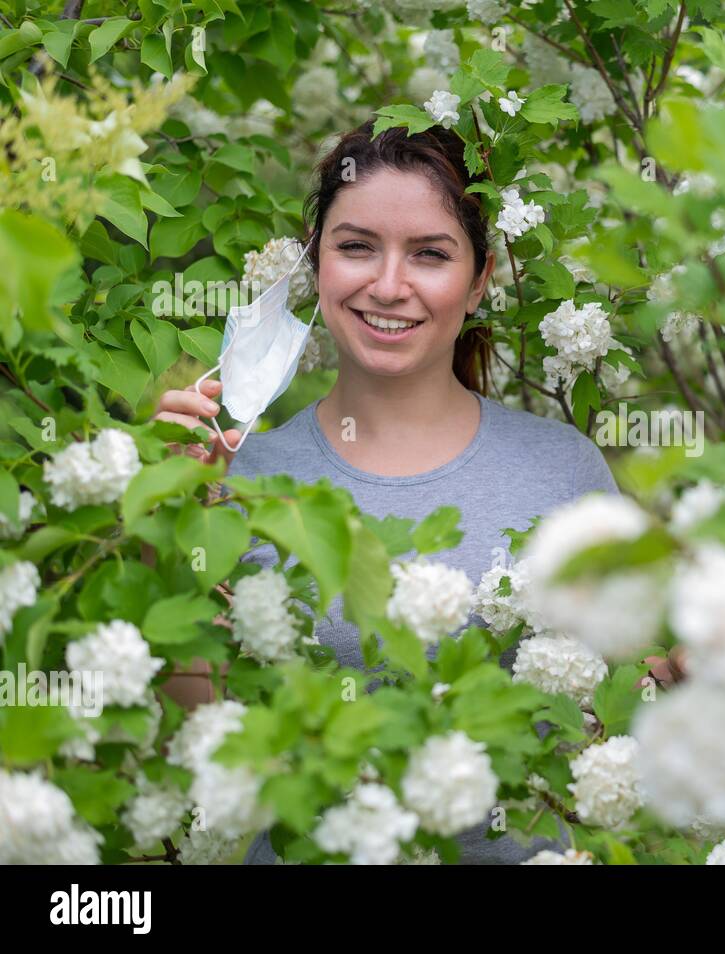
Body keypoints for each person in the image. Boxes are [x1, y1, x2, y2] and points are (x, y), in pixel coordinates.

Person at [150, 121, 624, 864]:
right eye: (357, 246)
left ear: (478, 279)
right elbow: (207, 740)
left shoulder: (563, 472)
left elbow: (608, 725)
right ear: (316, 260)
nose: (389, 285)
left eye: (430, 254)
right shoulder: (237, 476)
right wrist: (169, 529)